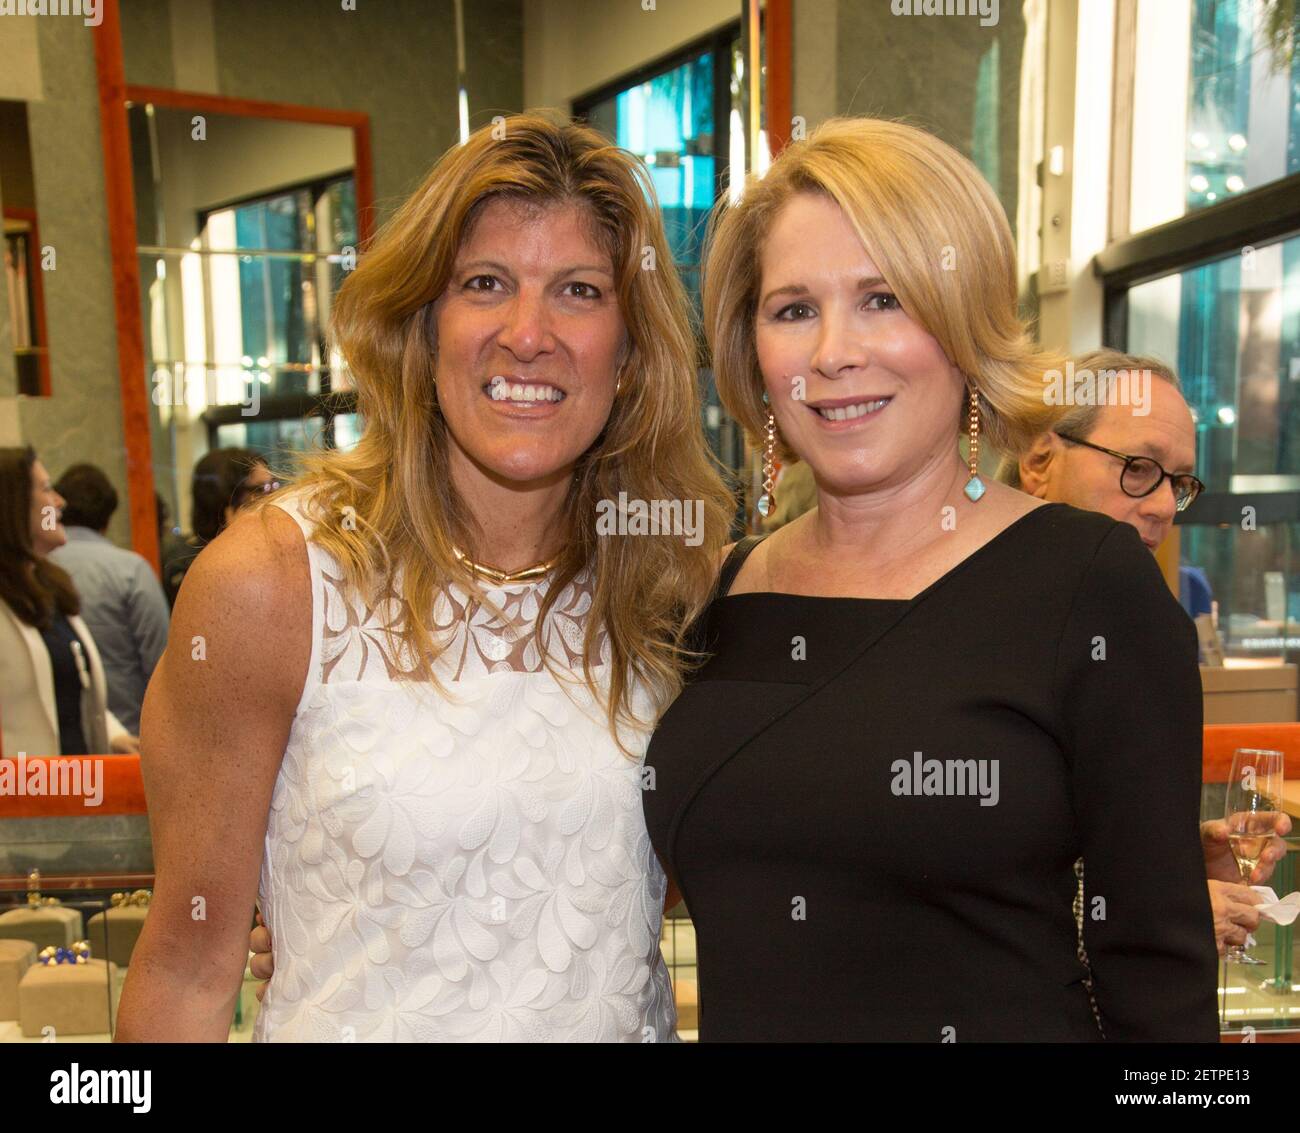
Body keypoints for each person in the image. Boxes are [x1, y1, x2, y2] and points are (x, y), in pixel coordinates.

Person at [114, 114, 732, 1043]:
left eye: (578, 290)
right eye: (485, 284)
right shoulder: (273, 583)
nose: (530, 335)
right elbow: (186, 973)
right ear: (422, 324)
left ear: (632, 348)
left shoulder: (674, 578)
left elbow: (680, 867)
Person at [639, 117, 1220, 1041]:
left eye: (883, 299)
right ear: (752, 348)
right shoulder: (719, 596)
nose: (833, 351)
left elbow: (1162, 977)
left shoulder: (1090, 587)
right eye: (794, 309)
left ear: (964, 328)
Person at [1000, 349, 1292, 957]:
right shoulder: (970, 620)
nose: (1162, 505)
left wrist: (1179, 863)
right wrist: (1162, 911)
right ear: (1038, 460)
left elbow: (1062, 844)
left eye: (1179, 482)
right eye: (1138, 468)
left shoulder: (1124, 630)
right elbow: (949, 892)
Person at [0, 447, 137, 756]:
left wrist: (113, 734)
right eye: (47, 490)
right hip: (24, 797)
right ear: (12, 503)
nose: (60, 502)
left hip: (79, 792)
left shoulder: (51, 586)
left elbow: (72, 690)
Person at [49, 464, 170, 735]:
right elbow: (161, 664)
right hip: (130, 738)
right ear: (108, 516)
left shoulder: (36, 569)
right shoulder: (131, 571)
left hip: (57, 744)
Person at [160, 448, 278, 606]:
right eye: (260, 489)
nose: (272, 498)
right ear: (224, 498)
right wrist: (235, 542)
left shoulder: (272, 547)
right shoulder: (184, 562)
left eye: (273, 486)